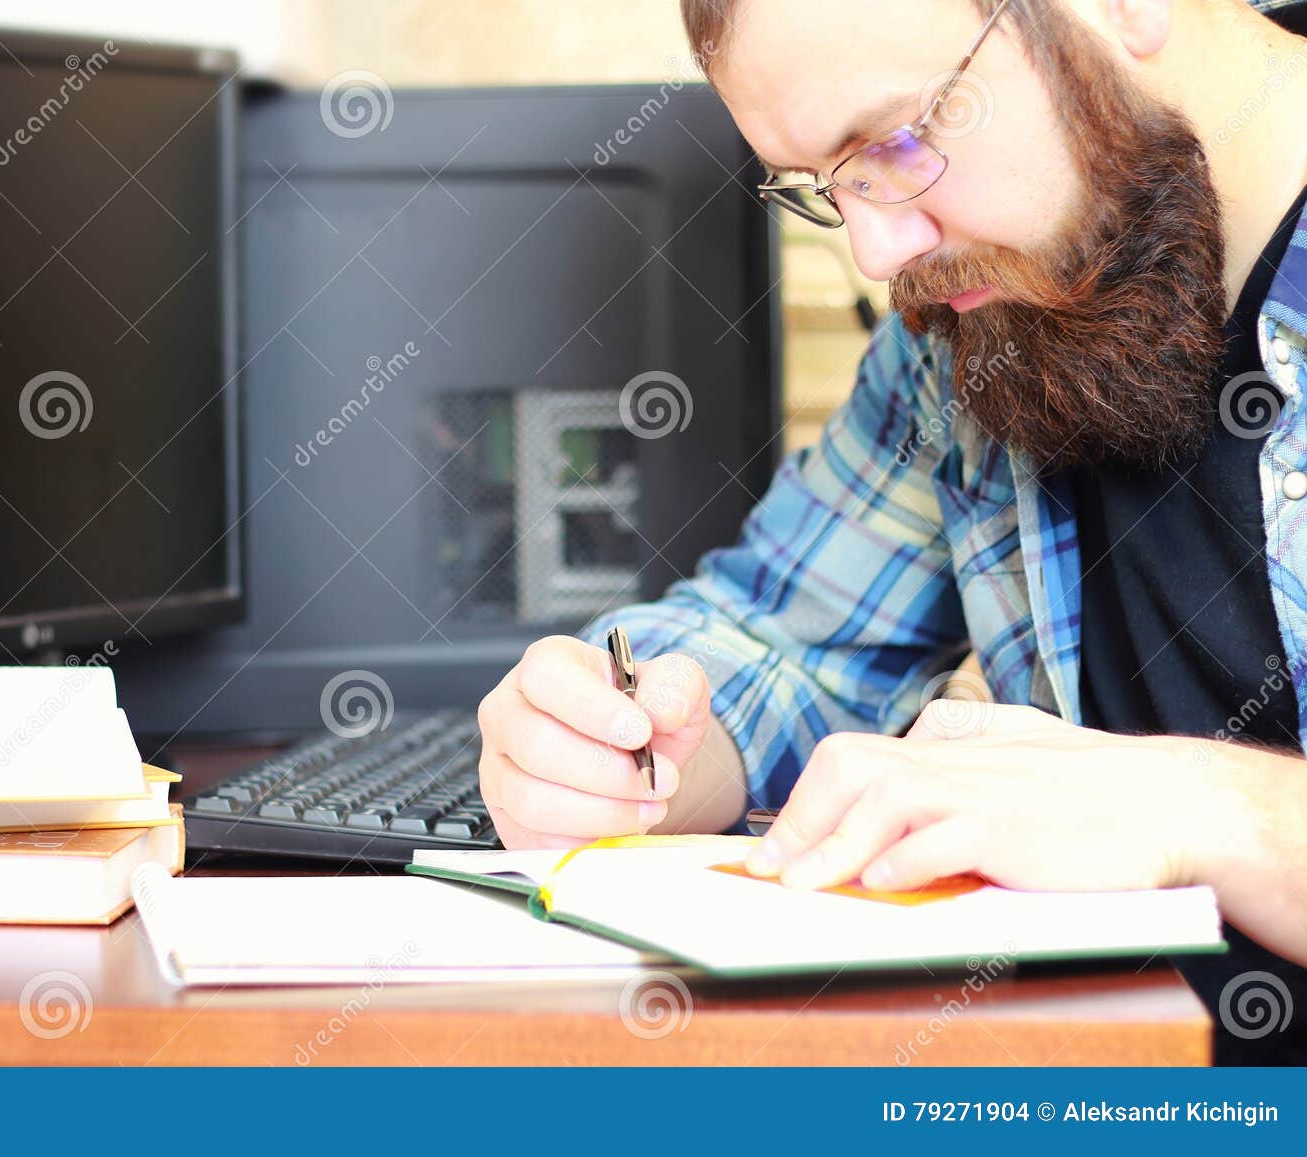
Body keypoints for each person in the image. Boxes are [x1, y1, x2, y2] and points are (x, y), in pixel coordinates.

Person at [474, 0, 1307, 1063]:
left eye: (899, 142)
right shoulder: (981, 323)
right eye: (829, 187)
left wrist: (1204, 809)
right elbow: (786, 640)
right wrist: (621, 745)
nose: (877, 251)